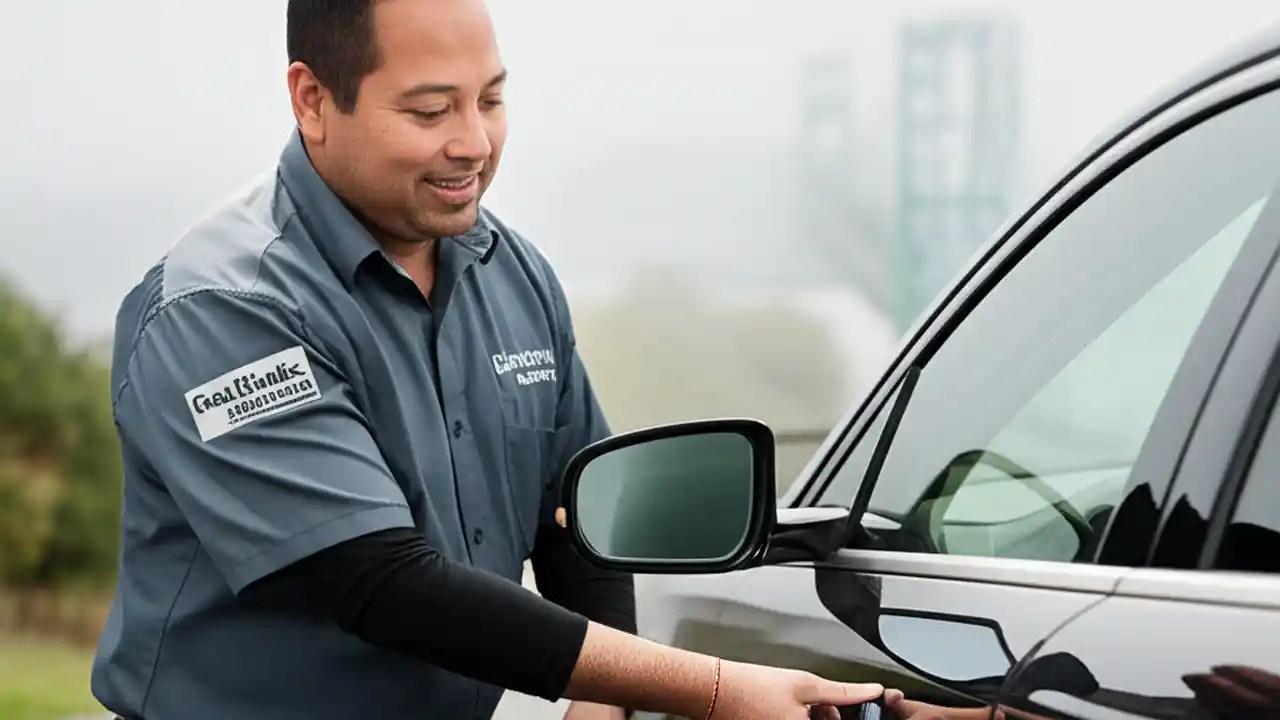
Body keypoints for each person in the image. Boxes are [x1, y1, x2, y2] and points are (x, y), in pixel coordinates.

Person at [89, 0, 892, 718]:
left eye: (491, 99)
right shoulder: (223, 310)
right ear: (312, 99)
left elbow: (581, 521)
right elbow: (382, 584)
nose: (473, 142)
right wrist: (713, 690)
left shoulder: (511, 272)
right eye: (431, 110)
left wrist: (602, 700)